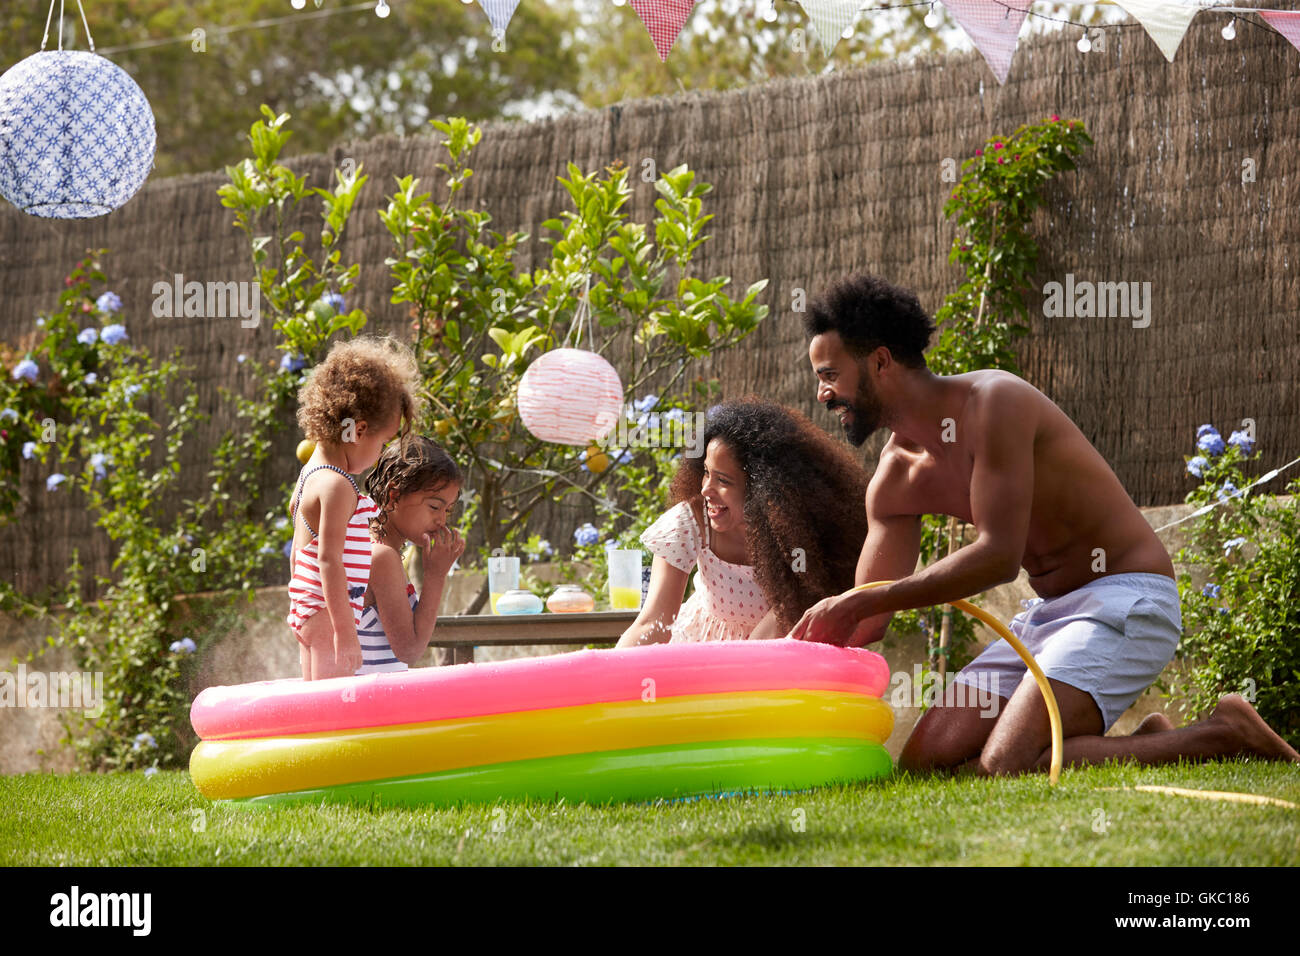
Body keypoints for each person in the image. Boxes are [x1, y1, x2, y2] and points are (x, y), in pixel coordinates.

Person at [785, 270, 1300, 773]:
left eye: (829, 376)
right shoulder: (894, 480)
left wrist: (866, 598)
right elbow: (867, 619)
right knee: (925, 764)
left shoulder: (993, 403)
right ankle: (1152, 743)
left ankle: (1224, 733)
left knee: (1005, 763)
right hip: (1048, 617)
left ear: (880, 362)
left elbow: (998, 557)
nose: (822, 394)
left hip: (1125, 598)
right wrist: (792, 646)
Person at [617, 398, 869, 647]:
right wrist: (612, 671)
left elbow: (784, 617)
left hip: (773, 652)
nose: (706, 489)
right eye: (706, 472)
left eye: (723, 481)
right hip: (701, 645)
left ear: (763, 489)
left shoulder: (796, 535)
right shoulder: (691, 521)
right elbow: (653, 622)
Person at [287, 336, 420, 680]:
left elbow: (298, 555)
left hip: (310, 611)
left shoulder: (307, 477)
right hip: (328, 618)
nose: (381, 452)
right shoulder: (336, 485)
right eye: (383, 442)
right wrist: (345, 631)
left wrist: (300, 607)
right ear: (359, 430)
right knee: (335, 712)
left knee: (317, 709)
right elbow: (328, 559)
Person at [357, 437, 465, 673]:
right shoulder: (382, 557)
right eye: (435, 507)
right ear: (394, 496)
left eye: (447, 510)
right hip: (372, 703)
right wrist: (436, 576)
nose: (442, 520)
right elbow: (410, 650)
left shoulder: (375, 548)